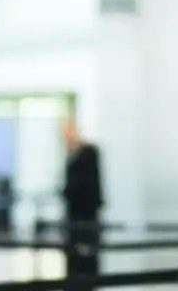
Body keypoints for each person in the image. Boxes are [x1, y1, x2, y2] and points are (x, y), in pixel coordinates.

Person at [60, 120, 103, 283]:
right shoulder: (72, 154)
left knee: (87, 256)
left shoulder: (89, 153)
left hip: (85, 214)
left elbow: (89, 185)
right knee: (74, 256)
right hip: (74, 215)